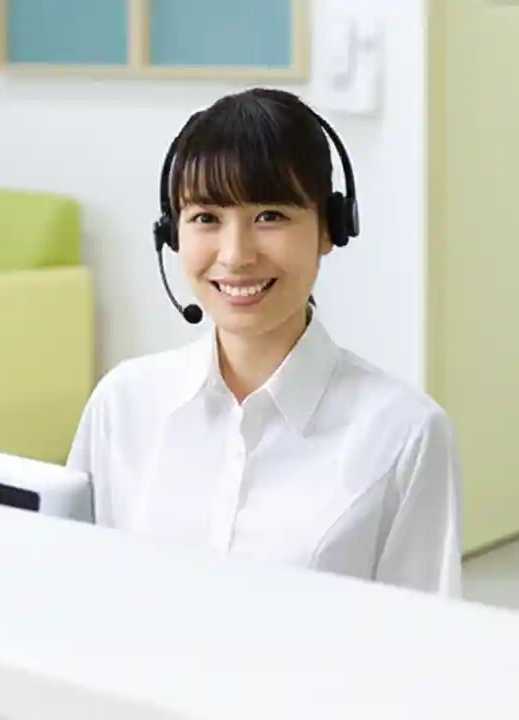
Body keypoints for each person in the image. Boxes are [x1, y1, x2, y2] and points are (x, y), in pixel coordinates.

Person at [66, 88, 462, 595]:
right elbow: (78, 592)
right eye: (206, 218)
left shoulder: (404, 434)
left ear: (330, 229)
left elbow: (424, 644)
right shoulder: (123, 404)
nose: (235, 255)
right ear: (172, 233)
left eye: (270, 217)